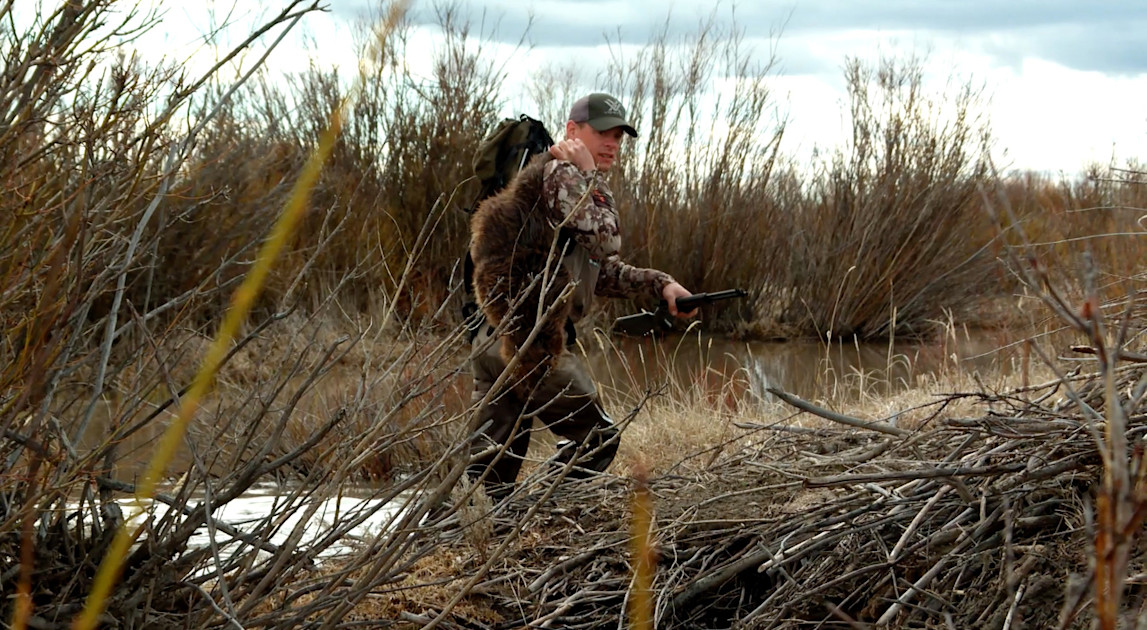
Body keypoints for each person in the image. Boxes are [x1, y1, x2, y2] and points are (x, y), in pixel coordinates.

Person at [466, 92, 694, 498]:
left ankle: (465, 539)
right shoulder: (564, 174)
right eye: (603, 132)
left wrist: (660, 284)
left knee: (487, 477)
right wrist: (591, 174)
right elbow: (607, 241)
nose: (612, 144)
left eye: (619, 137)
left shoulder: (553, 181)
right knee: (596, 440)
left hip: (493, 338)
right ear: (573, 131)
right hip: (531, 343)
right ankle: (536, 520)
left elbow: (599, 270)